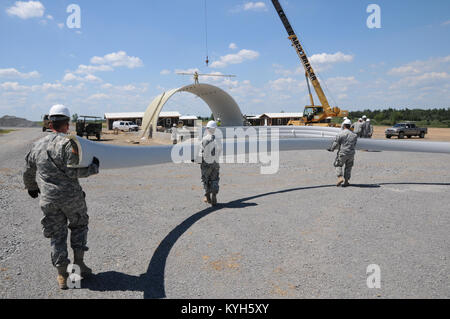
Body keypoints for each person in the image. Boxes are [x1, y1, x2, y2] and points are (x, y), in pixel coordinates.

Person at [23, 104, 100, 290]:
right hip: (71, 198)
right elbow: (73, 172)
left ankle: (62, 275)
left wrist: (31, 187)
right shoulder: (69, 144)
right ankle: (79, 265)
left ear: (50, 124)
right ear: (67, 124)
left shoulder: (37, 145)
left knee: (57, 235)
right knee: (79, 226)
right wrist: (93, 168)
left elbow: (28, 170)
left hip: (49, 199)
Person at [328, 119, 358, 187]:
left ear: (344, 125)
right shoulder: (354, 135)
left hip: (343, 153)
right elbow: (355, 144)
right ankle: (346, 181)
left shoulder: (341, 133)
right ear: (350, 126)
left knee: (338, 165)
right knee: (348, 167)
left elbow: (336, 143)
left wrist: (331, 149)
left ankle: (340, 177)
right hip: (351, 153)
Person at [199, 121, 222, 206]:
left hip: (206, 163)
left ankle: (207, 196)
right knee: (215, 179)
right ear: (215, 129)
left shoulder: (205, 139)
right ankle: (214, 195)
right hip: (215, 163)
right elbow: (220, 151)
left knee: (205, 180)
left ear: (207, 128)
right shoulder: (218, 139)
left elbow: (201, 152)